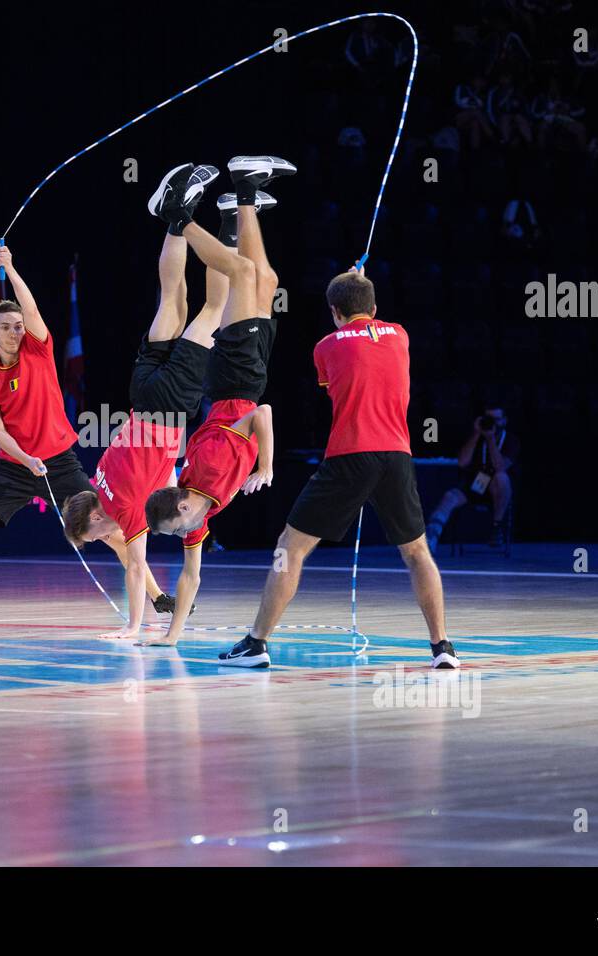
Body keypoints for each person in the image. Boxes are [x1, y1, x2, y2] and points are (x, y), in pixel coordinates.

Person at [0, 245, 172, 622]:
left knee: (108, 529)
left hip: (60, 461)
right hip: (14, 466)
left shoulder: (38, 350)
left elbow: (32, 310)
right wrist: (26, 459)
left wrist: (10, 267)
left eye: (18, 326)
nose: (15, 332)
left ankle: (157, 596)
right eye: (6, 327)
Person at [216, 268, 459, 670]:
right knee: (417, 553)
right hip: (396, 457)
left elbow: (341, 378)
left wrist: (349, 301)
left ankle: (256, 643)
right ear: (376, 308)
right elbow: (370, 338)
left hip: (349, 455)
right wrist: (359, 289)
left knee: (288, 549)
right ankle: (443, 648)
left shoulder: (325, 347)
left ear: (334, 312)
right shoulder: (401, 335)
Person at [62, 160, 249, 640]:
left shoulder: (122, 511)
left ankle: (222, 216)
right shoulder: (98, 476)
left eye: (95, 536)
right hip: (140, 394)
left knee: (212, 310)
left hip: (169, 406)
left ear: (97, 518)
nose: (105, 541)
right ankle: (174, 216)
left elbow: (134, 568)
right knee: (172, 301)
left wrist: (132, 627)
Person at [139, 155, 296, 646]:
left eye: (177, 525)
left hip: (236, 381)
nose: (183, 533)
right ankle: (234, 207)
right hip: (240, 378)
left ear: (182, 505)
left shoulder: (205, 472)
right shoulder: (199, 515)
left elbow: (261, 415)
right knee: (262, 281)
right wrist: (171, 636)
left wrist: (264, 467)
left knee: (243, 274)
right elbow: (191, 577)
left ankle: (180, 214)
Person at [425, 406, 519, 551]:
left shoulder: (510, 440)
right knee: (450, 496)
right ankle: (431, 535)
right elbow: (462, 462)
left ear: (504, 421)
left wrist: (491, 440)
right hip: (478, 483)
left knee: (501, 477)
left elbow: (500, 467)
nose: (492, 423)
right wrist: (476, 434)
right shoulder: (476, 437)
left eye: (496, 419)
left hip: (498, 491)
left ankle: (496, 527)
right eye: (489, 419)